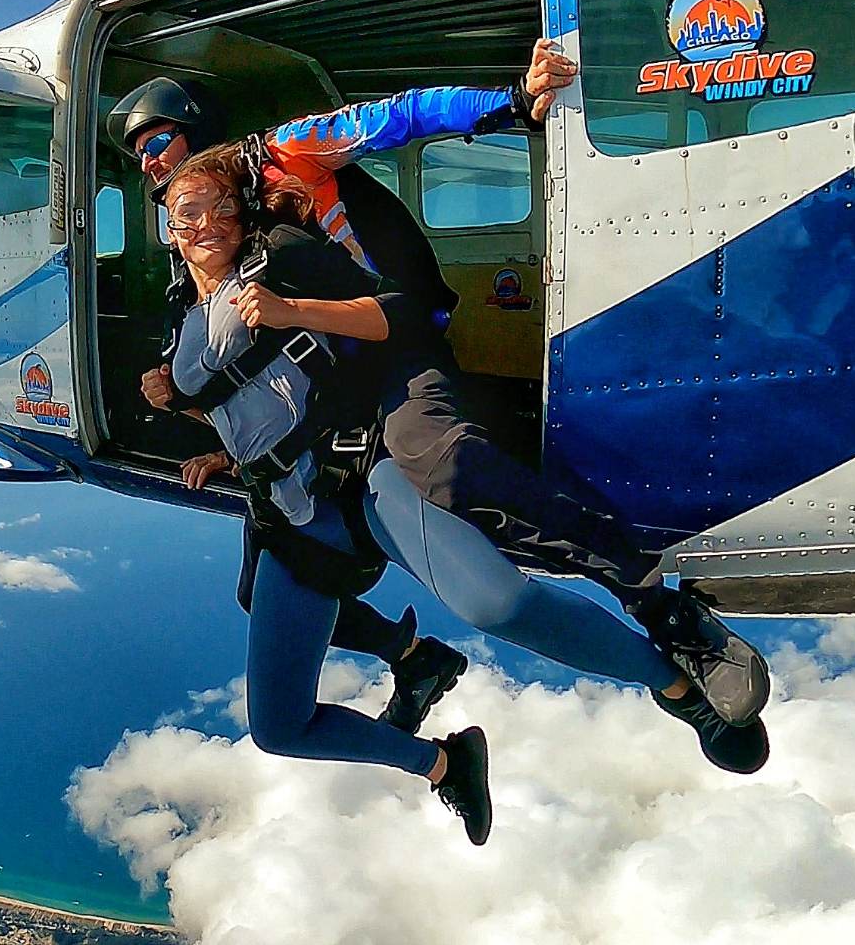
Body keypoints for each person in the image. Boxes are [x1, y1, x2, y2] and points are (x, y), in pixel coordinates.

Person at [112, 46, 771, 726]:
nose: (150, 163)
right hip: (333, 389)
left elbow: (398, 117)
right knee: (264, 586)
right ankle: (419, 656)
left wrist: (513, 100)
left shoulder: (283, 155)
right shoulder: (199, 239)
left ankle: (659, 603)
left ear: (202, 130)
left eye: (158, 142)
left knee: (448, 465)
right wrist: (225, 440)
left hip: (392, 339)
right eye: (140, 158)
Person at [146, 147, 770, 843]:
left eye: (220, 207)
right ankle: (447, 765)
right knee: (278, 726)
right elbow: (253, 403)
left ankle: (679, 688)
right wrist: (199, 423)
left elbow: (400, 314)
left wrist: (291, 309)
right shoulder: (182, 314)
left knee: (498, 604)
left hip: (361, 476)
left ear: (243, 212)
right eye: (186, 213)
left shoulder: (279, 259)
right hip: (292, 518)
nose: (205, 224)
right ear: (168, 228)